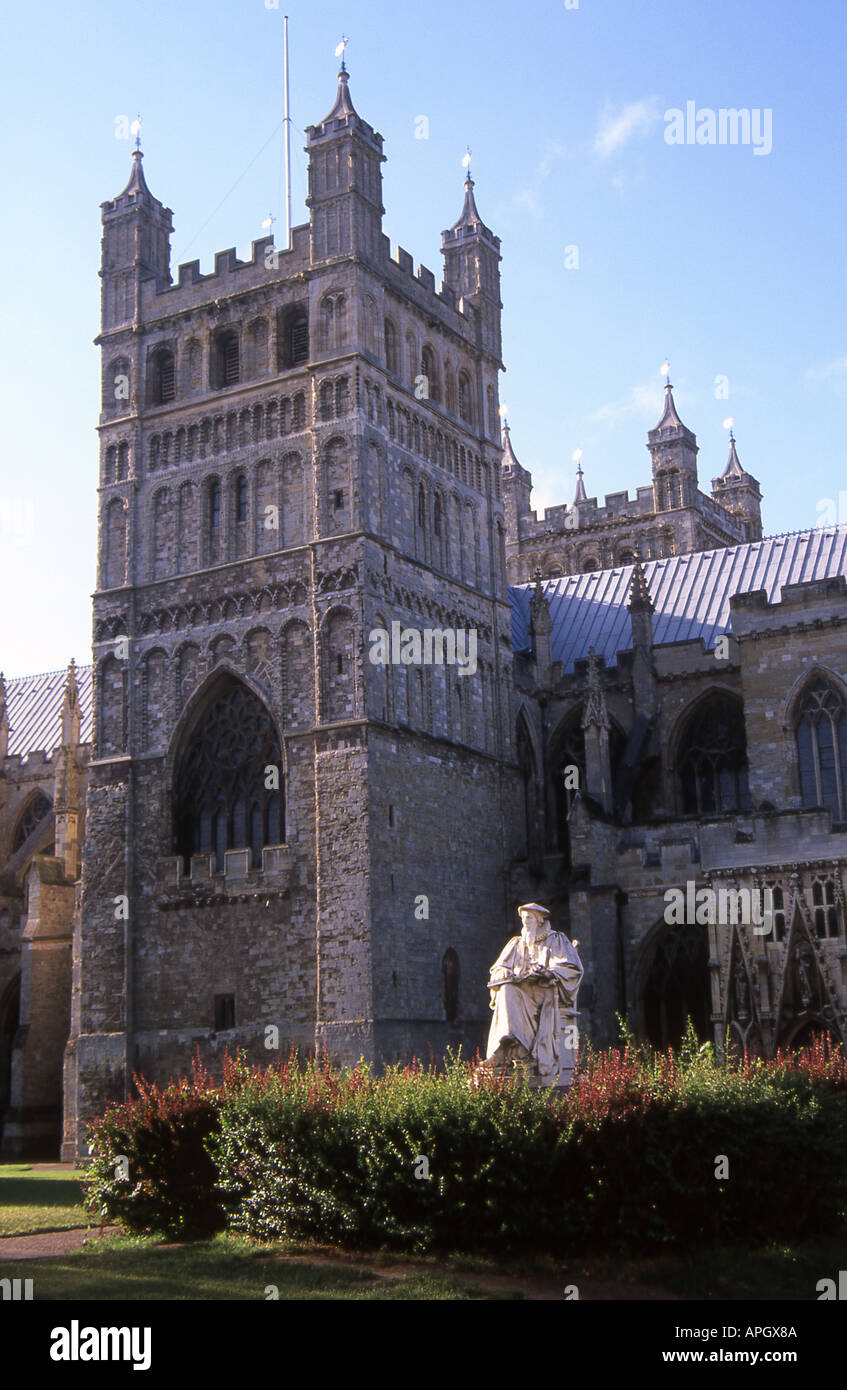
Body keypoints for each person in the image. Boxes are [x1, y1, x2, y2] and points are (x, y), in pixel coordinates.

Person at [485, 902, 583, 1085]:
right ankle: (508, 1051)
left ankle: (523, 1054)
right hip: (521, 991)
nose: (525, 922)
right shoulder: (515, 943)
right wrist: (505, 973)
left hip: (545, 992)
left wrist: (549, 973)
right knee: (506, 990)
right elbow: (497, 969)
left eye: (529, 918)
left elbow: (570, 967)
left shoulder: (556, 940)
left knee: (515, 994)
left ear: (539, 921)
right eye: (523, 919)